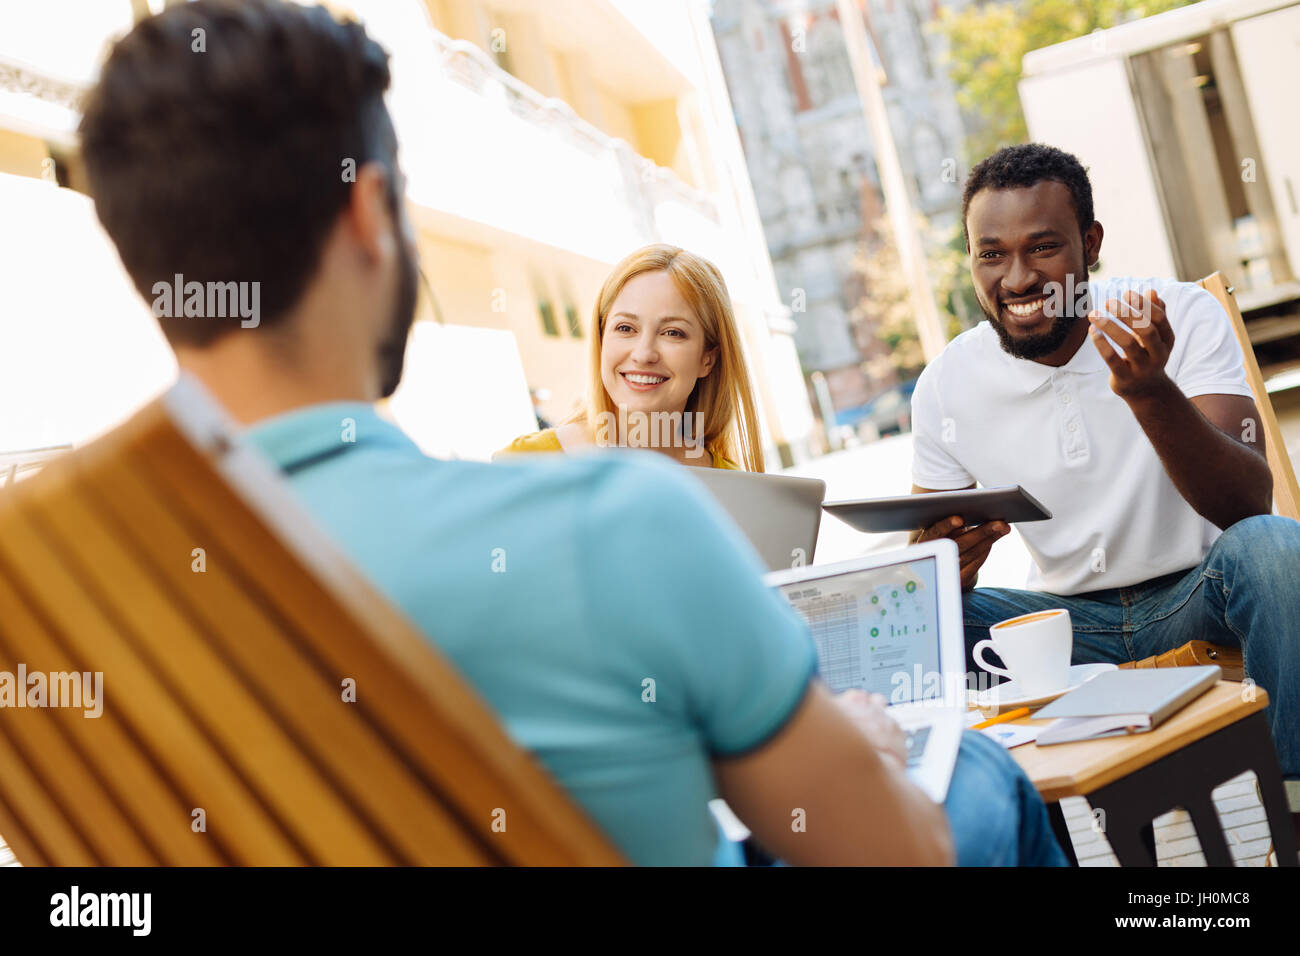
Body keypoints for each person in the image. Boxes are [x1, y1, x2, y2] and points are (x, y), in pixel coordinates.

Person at [79, 0, 1065, 866]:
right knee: (975, 772)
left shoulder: (68, 587)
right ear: (371, 212)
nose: (644, 351)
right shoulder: (613, 518)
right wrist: (860, 746)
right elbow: (893, 850)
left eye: (673, 331)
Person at [906, 143, 1300, 844]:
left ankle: (1293, 818)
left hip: (1198, 598)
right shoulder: (946, 383)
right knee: (918, 624)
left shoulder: (1177, 315)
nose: (1017, 277)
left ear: (1090, 243)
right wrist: (943, 565)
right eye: (989, 254)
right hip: (1066, 625)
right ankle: (1030, 848)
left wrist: (1151, 392)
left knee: (1276, 551)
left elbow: (1249, 504)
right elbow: (927, 560)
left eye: (1044, 248)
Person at [498, 244, 762, 470]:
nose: (643, 354)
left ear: (708, 359)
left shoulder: (736, 487)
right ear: (602, 339)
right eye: (625, 328)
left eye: (673, 333)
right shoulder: (525, 465)